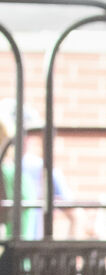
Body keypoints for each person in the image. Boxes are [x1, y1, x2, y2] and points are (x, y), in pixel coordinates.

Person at [0, 99, 73, 240]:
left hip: (32, 249)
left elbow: (75, 215)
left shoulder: (41, 168)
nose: (24, 139)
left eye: (27, 134)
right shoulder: (8, 171)